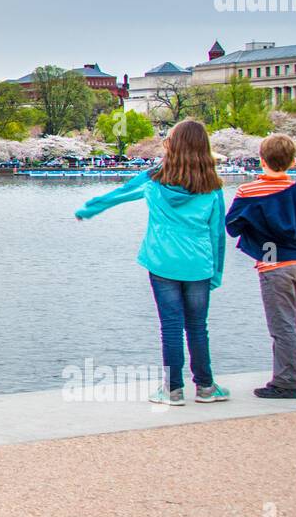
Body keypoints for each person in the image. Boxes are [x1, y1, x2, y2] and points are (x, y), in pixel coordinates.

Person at [74, 120, 229, 406]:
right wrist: (217, 272)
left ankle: (172, 390)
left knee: (170, 326)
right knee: (197, 326)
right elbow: (218, 233)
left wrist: (89, 208)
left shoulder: (154, 179)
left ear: (172, 146)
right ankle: (206, 387)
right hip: (199, 264)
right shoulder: (212, 186)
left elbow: (120, 194)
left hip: (162, 262)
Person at [225, 133, 296, 399]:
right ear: (293, 161)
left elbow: (232, 227)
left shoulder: (249, 191)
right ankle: (285, 376)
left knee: (282, 326)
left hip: (273, 264)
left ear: (262, 160)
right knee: (291, 323)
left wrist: (257, 220)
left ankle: (287, 382)